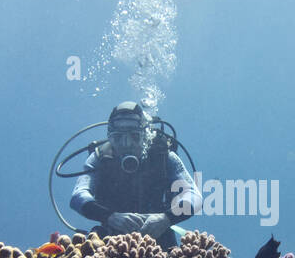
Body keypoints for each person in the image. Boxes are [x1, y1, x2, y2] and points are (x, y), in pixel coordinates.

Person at [69, 102, 200, 249]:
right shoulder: (99, 158)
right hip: (110, 238)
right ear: (109, 138)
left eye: (134, 136)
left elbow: (194, 196)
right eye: (118, 137)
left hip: (158, 237)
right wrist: (110, 217)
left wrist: (166, 219)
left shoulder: (164, 157)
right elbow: (77, 196)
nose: (126, 144)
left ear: (145, 135)